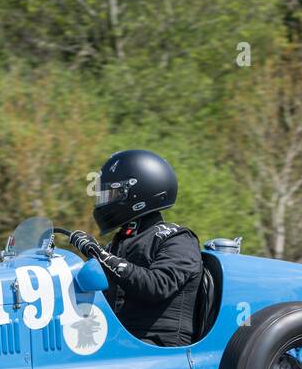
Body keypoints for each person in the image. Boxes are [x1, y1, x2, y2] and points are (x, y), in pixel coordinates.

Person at [68, 149, 203, 347]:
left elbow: (158, 286)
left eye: (113, 193)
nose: (106, 201)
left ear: (138, 193)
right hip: (122, 345)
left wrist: (101, 256)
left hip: (159, 350)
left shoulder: (178, 238)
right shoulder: (120, 242)